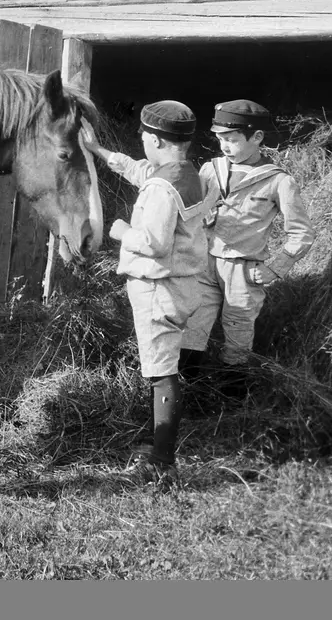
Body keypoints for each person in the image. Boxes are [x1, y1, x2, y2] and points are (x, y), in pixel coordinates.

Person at [83, 102, 208, 480]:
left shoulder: (159, 189)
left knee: (161, 372)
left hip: (158, 288)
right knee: (165, 366)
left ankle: (162, 460)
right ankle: (160, 447)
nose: (140, 140)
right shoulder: (190, 174)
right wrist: (100, 151)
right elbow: (141, 171)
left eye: (143, 136)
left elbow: (153, 242)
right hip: (184, 285)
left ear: (154, 139)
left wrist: (120, 230)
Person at [180, 100, 315, 390]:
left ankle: (231, 401)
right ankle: (186, 393)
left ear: (256, 138)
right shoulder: (209, 170)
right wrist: (204, 217)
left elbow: (302, 233)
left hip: (243, 271)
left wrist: (275, 268)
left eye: (231, 140)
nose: (224, 146)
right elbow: (191, 214)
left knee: (237, 331)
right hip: (204, 263)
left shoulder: (279, 181)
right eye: (220, 139)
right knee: (193, 325)